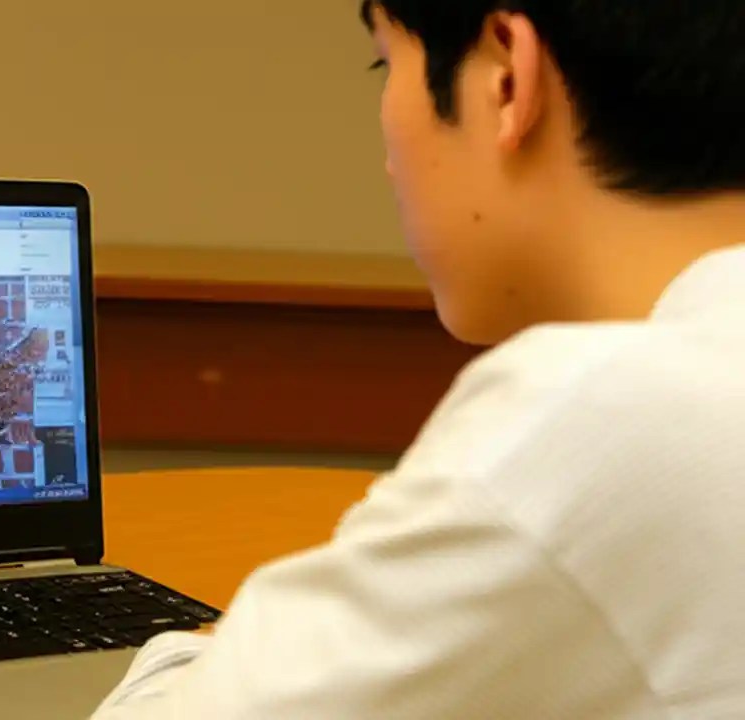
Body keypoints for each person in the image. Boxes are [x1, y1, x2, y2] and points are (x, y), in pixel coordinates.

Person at [91, 1, 745, 717]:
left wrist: (200, 645)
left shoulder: (593, 413)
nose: (387, 157)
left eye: (385, 63)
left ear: (504, 77)